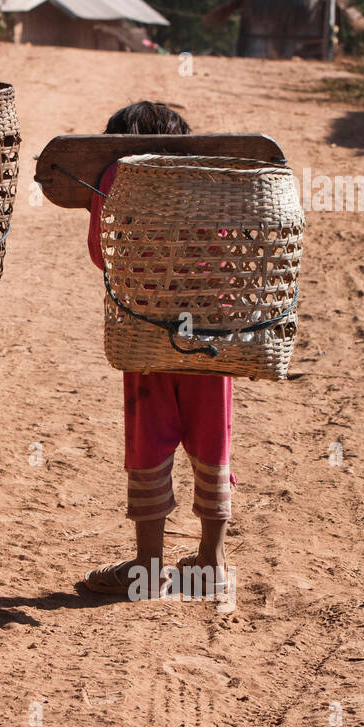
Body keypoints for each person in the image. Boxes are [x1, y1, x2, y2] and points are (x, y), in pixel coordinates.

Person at [83, 102, 232, 598]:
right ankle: (211, 560)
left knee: (148, 443)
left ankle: (148, 567)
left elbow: (100, 253)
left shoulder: (117, 183)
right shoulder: (212, 189)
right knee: (213, 443)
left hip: (147, 333)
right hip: (210, 342)